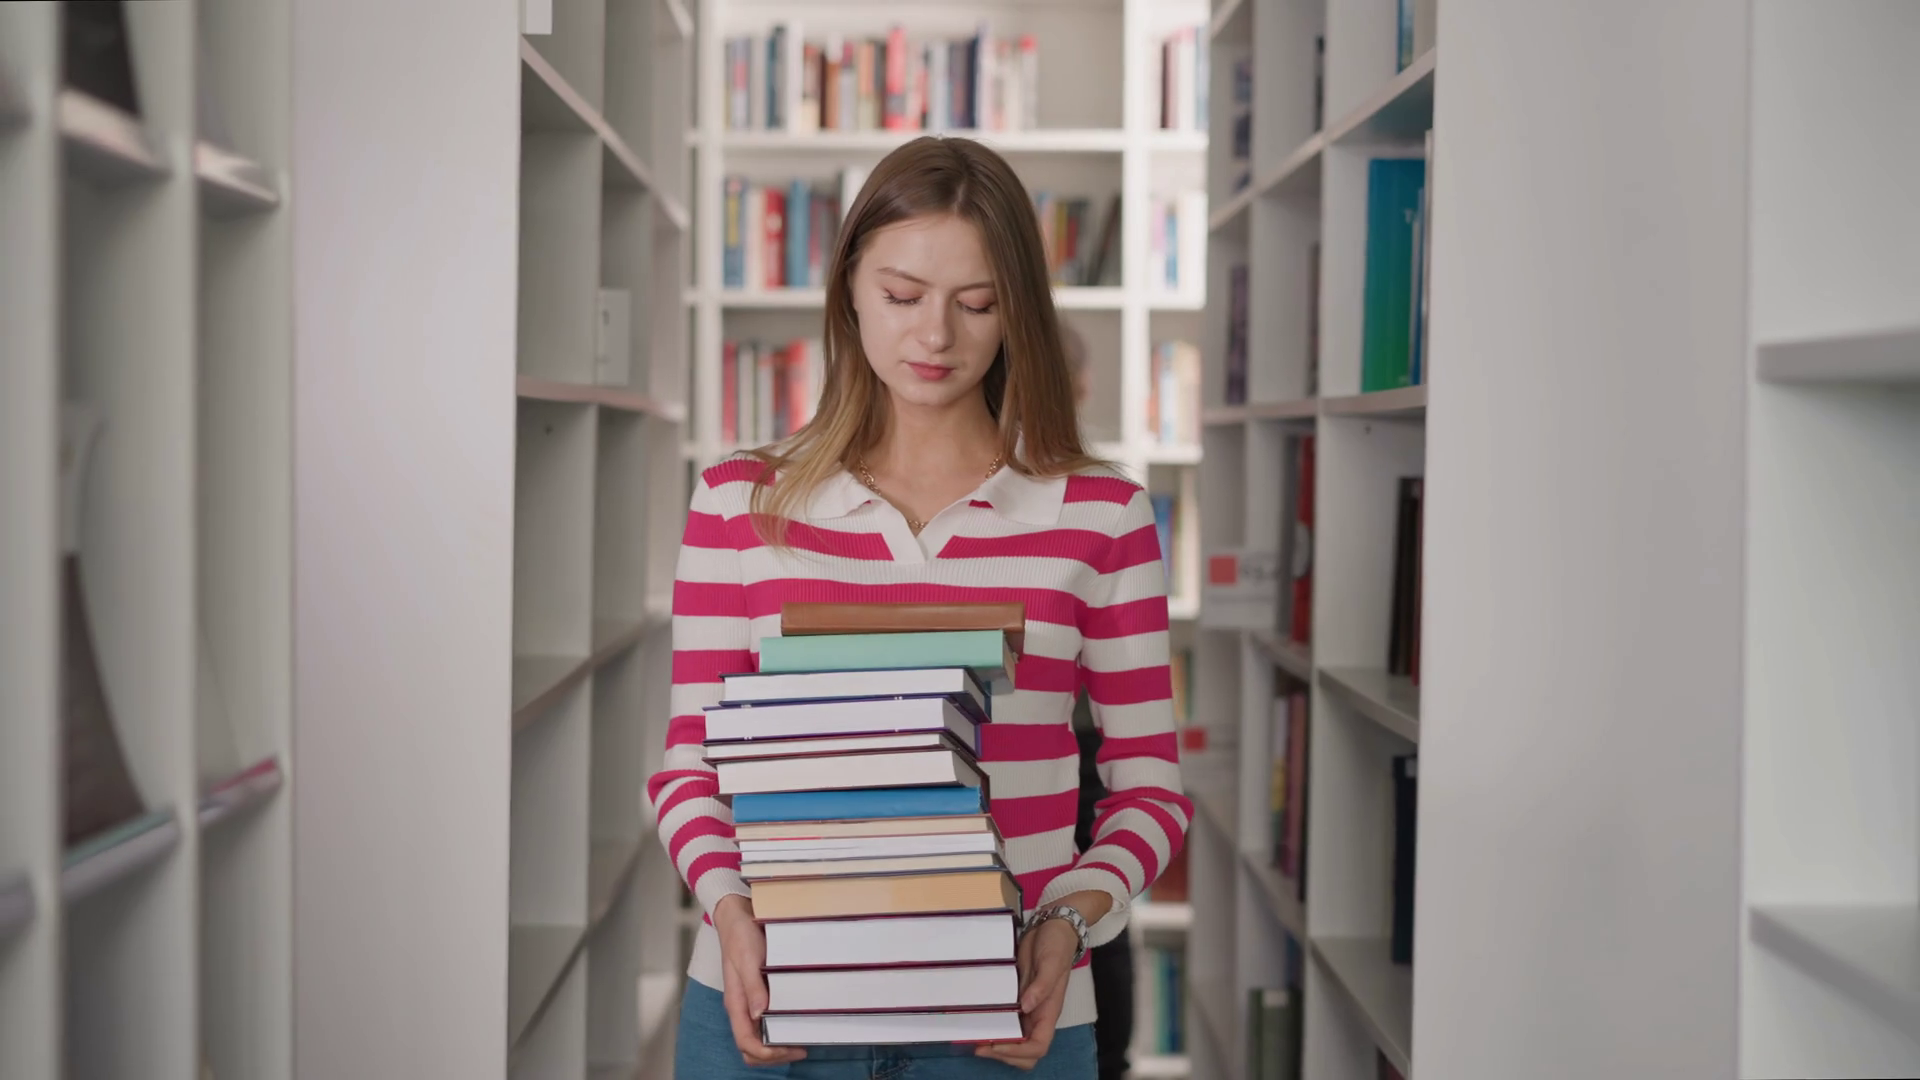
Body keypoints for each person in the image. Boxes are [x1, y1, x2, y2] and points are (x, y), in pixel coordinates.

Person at [647, 135, 1192, 1078]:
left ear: (1017, 309)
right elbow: (689, 770)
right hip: (772, 1005)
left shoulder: (1101, 514)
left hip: (1010, 1016)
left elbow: (1149, 789)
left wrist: (1068, 922)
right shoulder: (737, 501)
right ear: (849, 288)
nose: (935, 337)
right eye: (902, 297)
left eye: (976, 303)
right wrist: (730, 914)